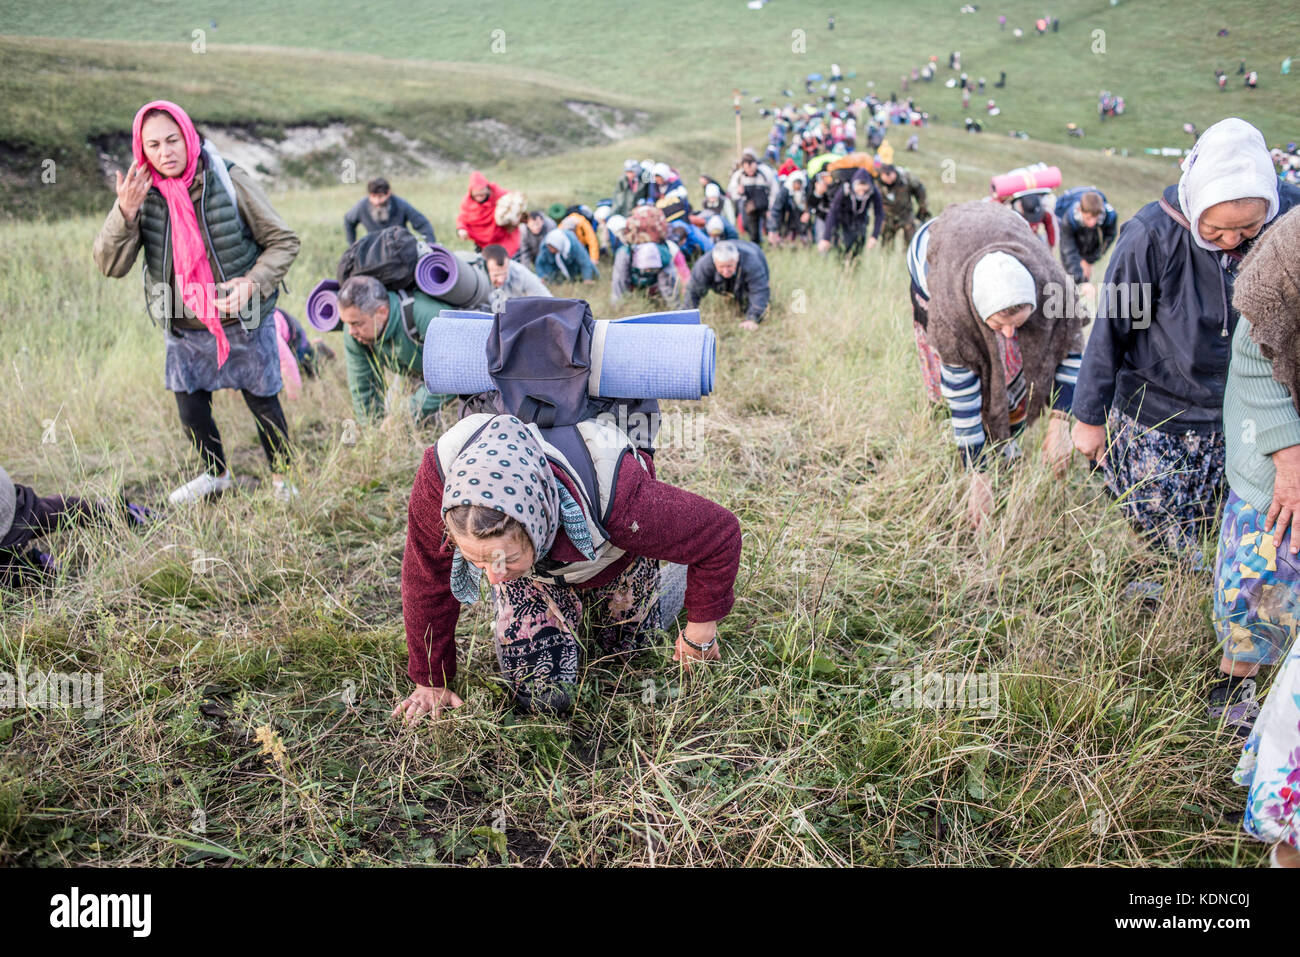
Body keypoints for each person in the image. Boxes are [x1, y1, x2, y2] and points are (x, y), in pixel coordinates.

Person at [394, 412, 742, 720]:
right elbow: (426, 577)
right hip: (536, 580)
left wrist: (700, 629)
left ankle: (674, 575)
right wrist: (430, 679)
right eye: (477, 560)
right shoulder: (441, 479)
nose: (493, 576)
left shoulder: (620, 499)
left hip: (611, 564)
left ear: (539, 523)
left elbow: (720, 533)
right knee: (544, 697)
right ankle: (550, 603)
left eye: (506, 558)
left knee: (632, 653)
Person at [1072, 118, 1300, 565]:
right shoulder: (1151, 236)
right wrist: (1088, 416)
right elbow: (1112, 327)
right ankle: (1164, 582)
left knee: (1229, 520)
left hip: (1255, 411)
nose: (1233, 240)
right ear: (1197, 207)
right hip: (1161, 408)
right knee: (1157, 525)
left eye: (1249, 227)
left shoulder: (1291, 224)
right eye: (1215, 231)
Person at [93, 100, 301, 506]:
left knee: (263, 400)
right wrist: (125, 212)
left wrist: (253, 284)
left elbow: (283, 240)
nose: (164, 152)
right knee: (191, 409)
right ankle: (216, 474)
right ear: (141, 149)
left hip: (243, 316)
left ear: (189, 137)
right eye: (152, 145)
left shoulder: (228, 178)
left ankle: (283, 477)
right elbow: (109, 265)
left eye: (172, 140)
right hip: (184, 324)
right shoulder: (141, 195)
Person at [922, 202, 1084, 528]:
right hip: (939, 253)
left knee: (1011, 363)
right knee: (958, 384)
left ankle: (1006, 442)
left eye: (1019, 323)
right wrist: (978, 477)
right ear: (981, 313)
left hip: (1002, 230)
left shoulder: (1052, 284)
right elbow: (963, 396)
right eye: (999, 324)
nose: (1010, 333)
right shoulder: (951, 317)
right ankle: (971, 446)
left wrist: (1061, 422)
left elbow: (1073, 346)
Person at [1210, 206, 1300, 743]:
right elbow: (1251, 358)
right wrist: (1289, 459)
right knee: (1267, 564)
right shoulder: (1290, 249)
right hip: (1275, 446)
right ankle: (1236, 686)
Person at [1, 466, 152, 588]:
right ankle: (33, 567)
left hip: (8, 506)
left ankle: (118, 512)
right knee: (46, 512)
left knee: (46, 514)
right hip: (9, 499)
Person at [336, 274, 455, 424]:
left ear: (382, 312)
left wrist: (405, 416)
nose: (351, 331)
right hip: (416, 375)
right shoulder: (355, 333)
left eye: (356, 323)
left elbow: (453, 374)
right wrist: (374, 431)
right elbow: (362, 386)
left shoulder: (427, 317)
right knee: (393, 406)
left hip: (460, 370)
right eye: (347, 323)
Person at [685, 240, 770, 330]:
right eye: (721, 266)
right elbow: (692, 293)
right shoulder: (703, 266)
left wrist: (753, 318)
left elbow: (759, 290)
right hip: (724, 272)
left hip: (754, 252)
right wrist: (687, 321)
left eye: (729, 266)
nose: (725, 271)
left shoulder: (752, 262)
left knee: (749, 296)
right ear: (715, 262)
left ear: (736, 260)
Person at [343, 177, 436, 245]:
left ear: (388, 193)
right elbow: (348, 220)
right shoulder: (361, 206)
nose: (377, 201)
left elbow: (422, 223)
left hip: (400, 247)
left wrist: (430, 244)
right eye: (373, 197)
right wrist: (352, 245)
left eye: (380, 197)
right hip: (375, 250)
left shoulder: (400, 204)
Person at [1057, 189, 1117, 285]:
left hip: (1091, 246)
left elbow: (1108, 239)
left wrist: (1089, 260)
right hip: (1074, 247)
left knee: (1085, 275)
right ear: (1079, 210)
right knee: (1066, 277)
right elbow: (1068, 251)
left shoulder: (1109, 217)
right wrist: (1081, 280)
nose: (1092, 222)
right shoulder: (1068, 220)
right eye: (1088, 218)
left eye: (1095, 218)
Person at [820, 168, 883, 260]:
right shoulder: (845, 189)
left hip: (861, 224)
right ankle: (842, 271)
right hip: (843, 222)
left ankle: (854, 271)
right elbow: (833, 211)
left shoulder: (873, 191)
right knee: (841, 253)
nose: (861, 192)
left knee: (857, 255)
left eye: (864, 189)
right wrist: (826, 237)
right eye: (859, 189)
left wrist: (874, 236)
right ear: (854, 185)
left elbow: (879, 213)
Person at [455, 171, 519, 255]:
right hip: (481, 244)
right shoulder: (467, 203)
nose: (480, 198)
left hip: (504, 240)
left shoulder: (499, 194)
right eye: (477, 195)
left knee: (507, 264)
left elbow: (515, 202)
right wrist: (461, 229)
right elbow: (462, 218)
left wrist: (513, 216)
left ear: (487, 190)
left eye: (482, 195)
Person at [612, 240, 687, 306]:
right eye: (646, 268)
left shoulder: (664, 257)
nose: (648, 271)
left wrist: (675, 310)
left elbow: (669, 291)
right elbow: (619, 287)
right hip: (633, 283)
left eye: (652, 269)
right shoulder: (624, 255)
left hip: (655, 287)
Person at [726, 148, 777, 246]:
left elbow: (774, 190)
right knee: (749, 227)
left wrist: (771, 207)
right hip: (750, 207)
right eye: (747, 169)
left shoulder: (765, 172)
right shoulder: (739, 176)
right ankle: (757, 244)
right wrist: (738, 191)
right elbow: (732, 192)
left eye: (752, 169)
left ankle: (772, 243)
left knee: (770, 226)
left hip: (765, 205)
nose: (750, 172)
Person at [876, 164, 928, 250]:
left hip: (905, 214)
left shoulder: (905, 179)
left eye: (890, 174)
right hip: (887, 216)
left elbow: (920, 192)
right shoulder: (877, 183)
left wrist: (922, 208)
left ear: (894, 173)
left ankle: (907, 259)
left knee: (911, 243)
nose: (888, 177)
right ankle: (887, 261)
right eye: (885, 175)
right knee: (886, 245)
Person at [534, 229, 599, 284]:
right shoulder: (546, 246)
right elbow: (539, 263)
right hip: (557, 268)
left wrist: (587, 278)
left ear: (558, 245)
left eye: (553, 248)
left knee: (590, 276)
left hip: (575, 267)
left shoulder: (573, 245)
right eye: (549, 248)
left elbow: (584, 262)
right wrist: (542, 276)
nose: (551, 251)